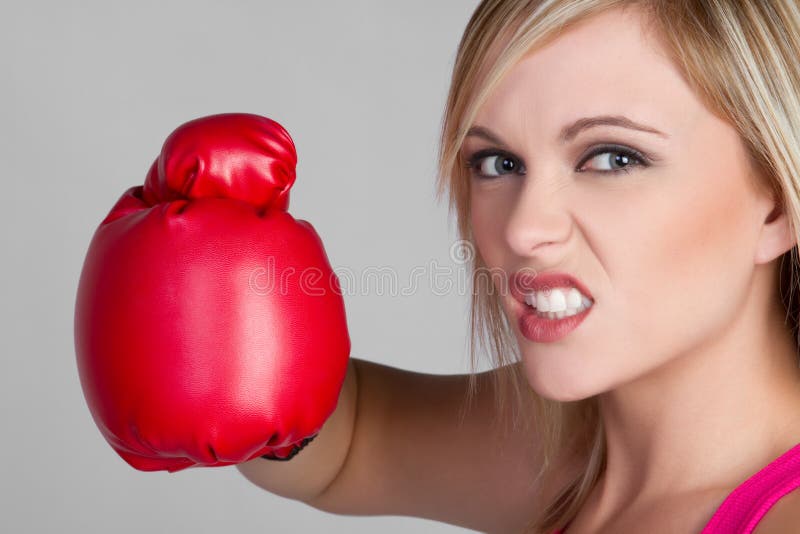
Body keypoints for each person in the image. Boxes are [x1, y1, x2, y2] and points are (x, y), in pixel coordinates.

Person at [75, 1, 800, 533]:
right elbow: (354, 446)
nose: (524, 227)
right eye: (498, 162)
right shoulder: (564, 452)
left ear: (775, 203)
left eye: (613, 157)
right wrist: (219, 341)